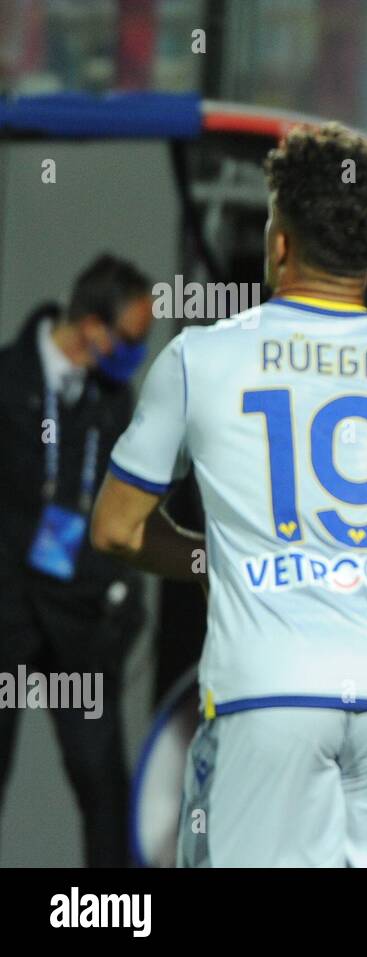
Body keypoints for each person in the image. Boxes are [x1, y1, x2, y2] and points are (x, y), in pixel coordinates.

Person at [90, 123, 367, 867]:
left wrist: (213, 560)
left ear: (278, 242)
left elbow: (118, 529)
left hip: (271, 691)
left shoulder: (203, 356)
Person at [0, 254, 154, 867]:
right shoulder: (8, 381)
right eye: (131, 338)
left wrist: (121, 606)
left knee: (103, 786)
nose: (136, 353)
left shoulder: (115, 399)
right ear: (91, 325)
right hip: (7, 614)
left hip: (82, 622)